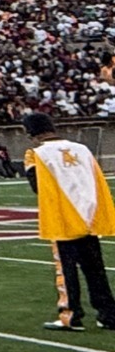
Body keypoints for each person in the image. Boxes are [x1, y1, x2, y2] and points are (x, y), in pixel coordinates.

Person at [21, 111, 115, 331]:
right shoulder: (82, 149)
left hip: (63, 219)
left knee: (66, 271)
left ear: (31, 133)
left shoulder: (35, 154)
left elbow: (38, 188)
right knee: (96, 270)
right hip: (89, 216)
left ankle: (70, 315)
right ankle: (108, 314)